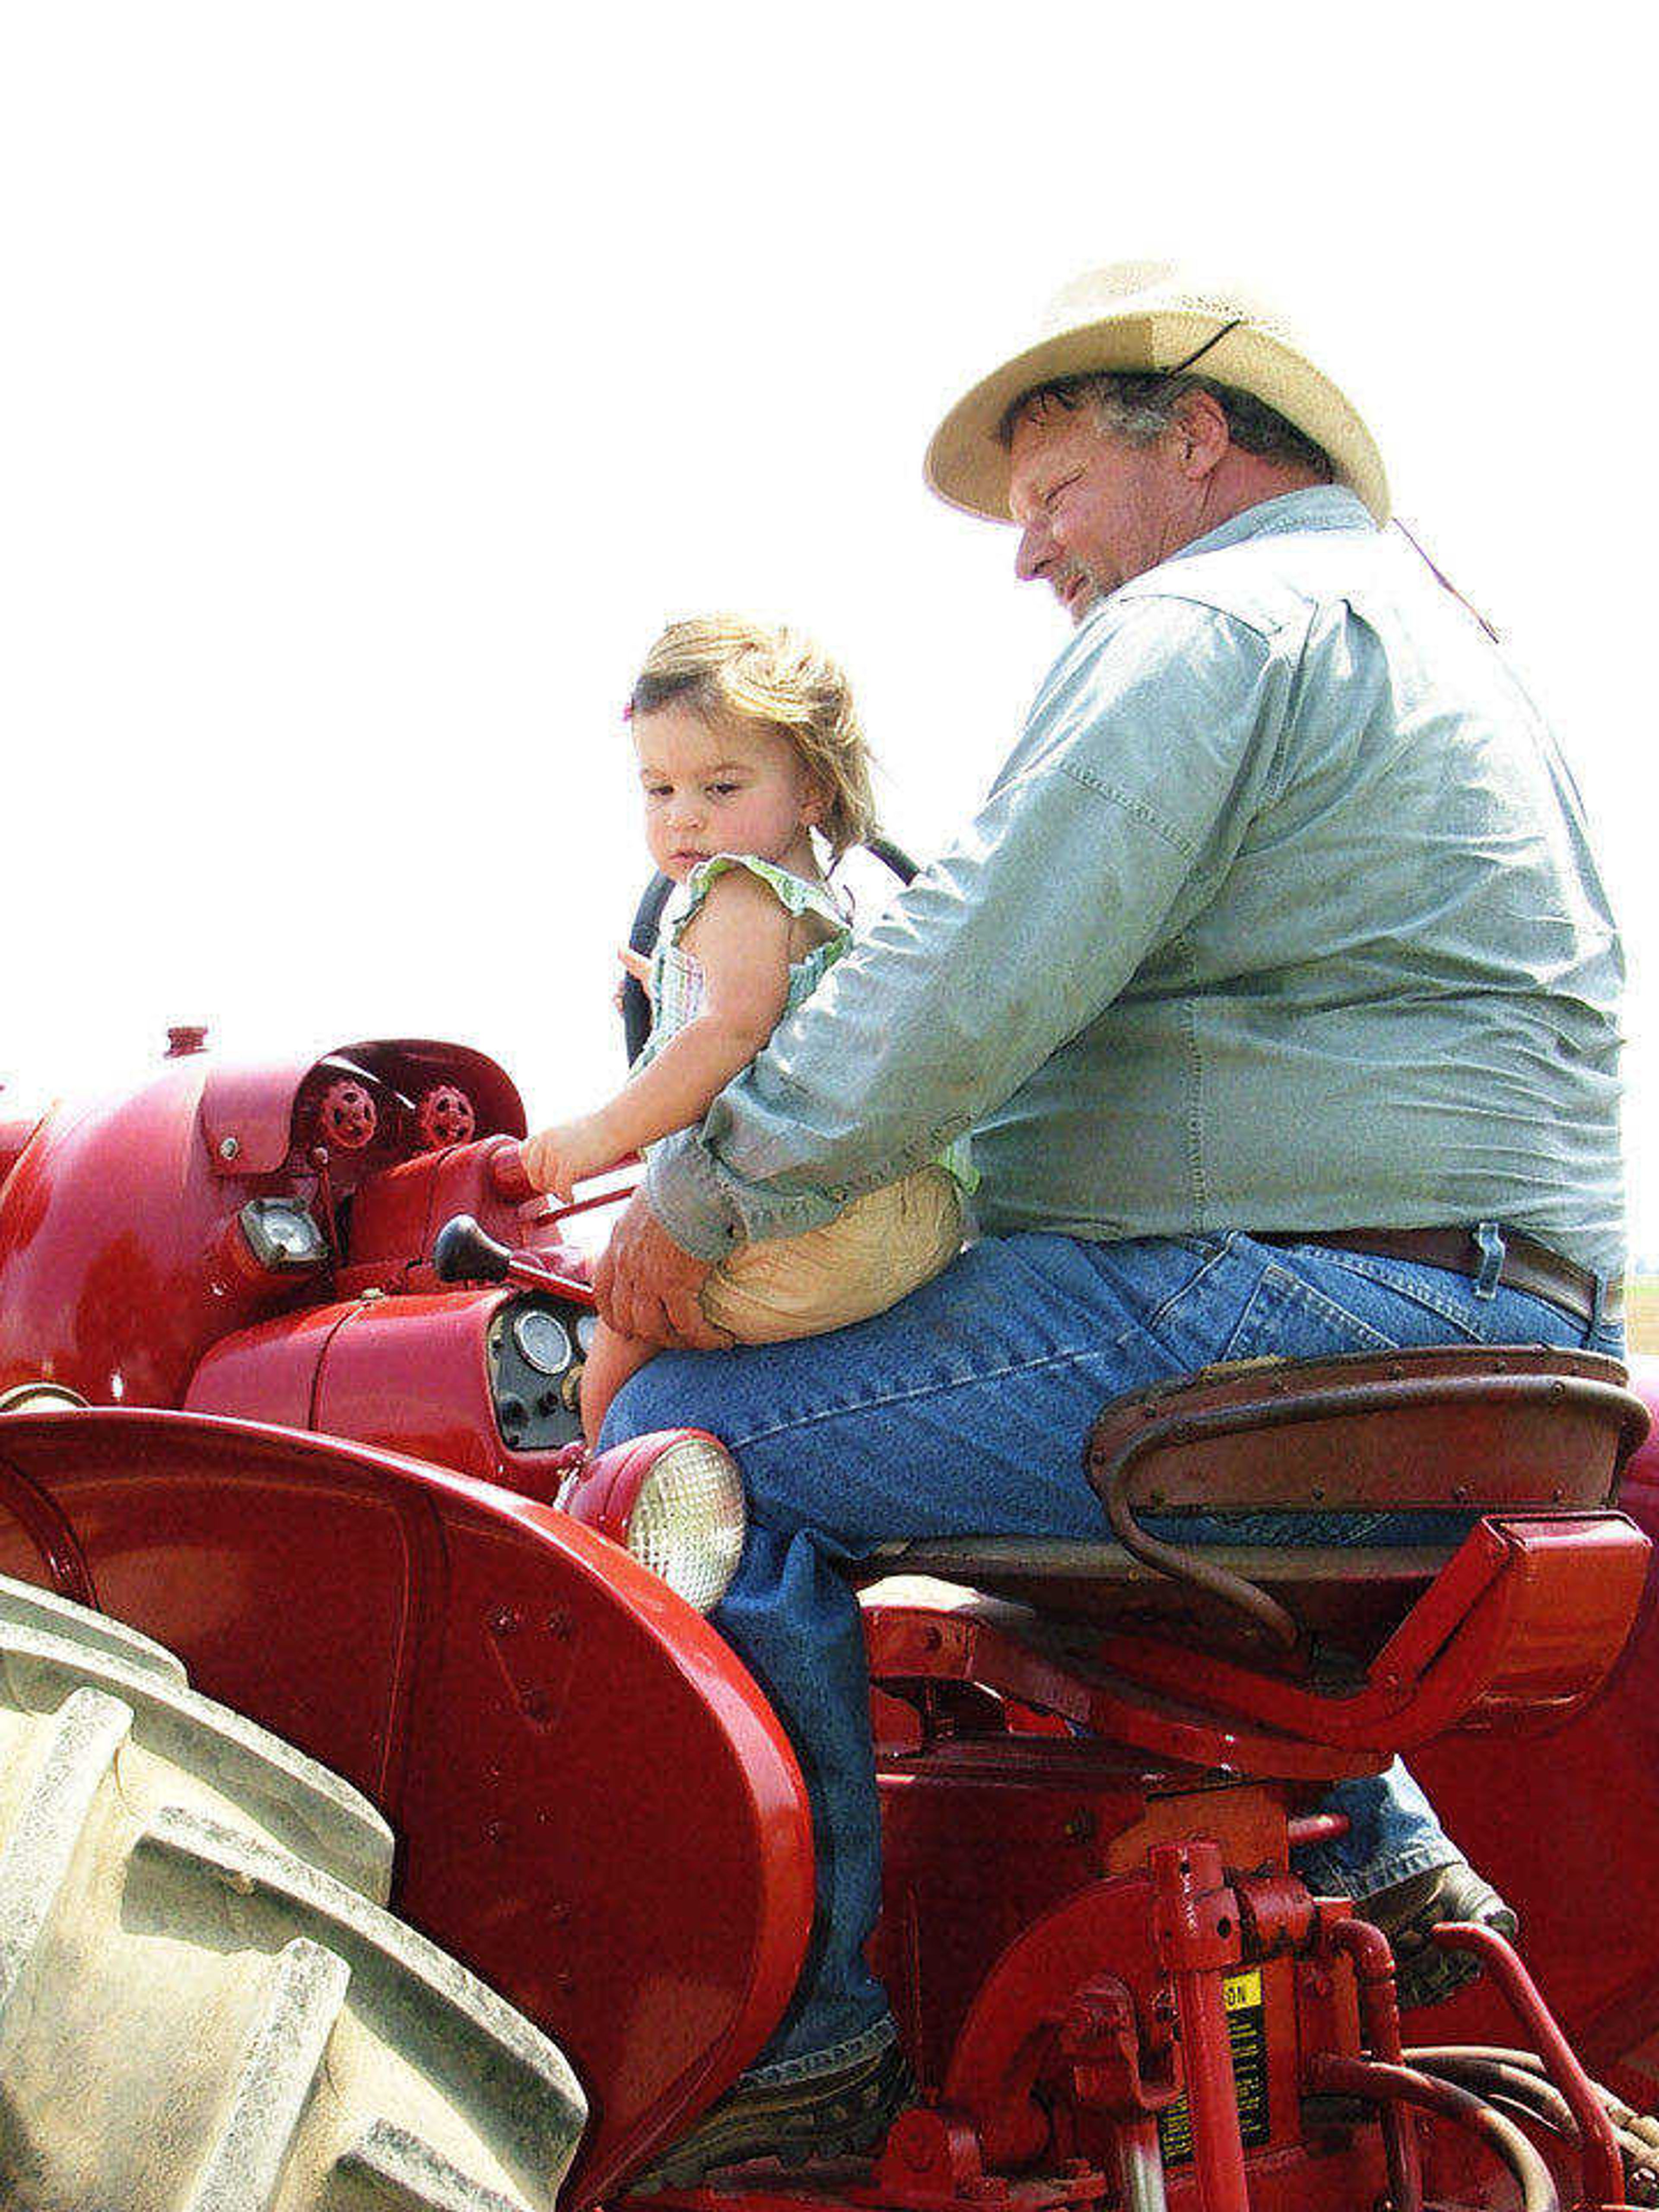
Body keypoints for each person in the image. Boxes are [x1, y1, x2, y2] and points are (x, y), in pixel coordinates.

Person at [594, 263, 1625, 2177]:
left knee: (693, 1443)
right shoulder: (1434, 638)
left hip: (1296, 1329)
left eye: (1054, 491)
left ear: (1202, 439)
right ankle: (1387, 1853)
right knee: (1003, 1392)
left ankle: (796, 2052)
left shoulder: (1213, 622)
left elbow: (963, 979)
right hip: (1522, 1360)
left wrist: (695, 1208)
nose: (1031, 554)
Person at [518, 615, 970, 1443]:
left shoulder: (734, 889)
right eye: (661, 790)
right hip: (910, 1222)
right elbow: (766, 1015)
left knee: (620, 1326)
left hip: (817, 1242)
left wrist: (594, 1138)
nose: (685, 819)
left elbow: (727, 1037)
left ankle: (593, 1494)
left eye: (720, 789)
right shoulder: (821, 904)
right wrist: (668, 991)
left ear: (812, 792)